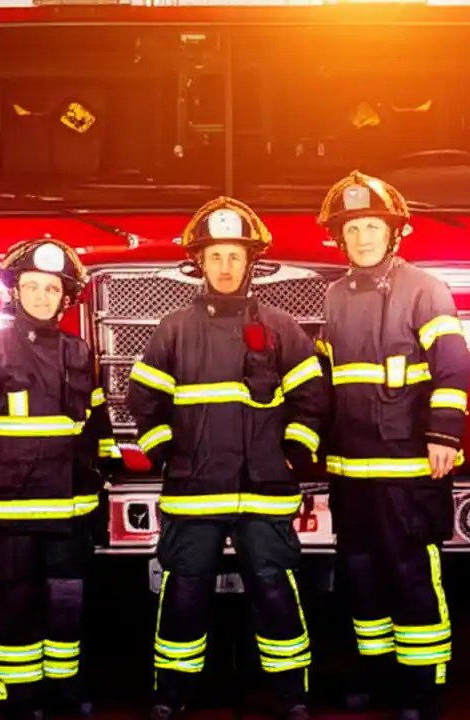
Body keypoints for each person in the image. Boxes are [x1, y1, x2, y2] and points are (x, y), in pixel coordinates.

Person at [126, 197, 327, 720]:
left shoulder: (283, 328)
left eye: (234, 255)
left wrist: (293, 456)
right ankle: (171, 697)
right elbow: (143, 400)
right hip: (194, 490)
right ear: (199, 262)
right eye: (215, 256)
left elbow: (311, 398)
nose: (225, 266)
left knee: (275, 589)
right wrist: (168, 453)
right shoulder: (173, 329)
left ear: (250, 262)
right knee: (184, 594)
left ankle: (292, 697)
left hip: (265, 488)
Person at [315, 171, 470, 720]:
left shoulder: (425, 289)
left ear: (393, 233)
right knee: (359, 574)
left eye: (371, 227)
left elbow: (453, 366)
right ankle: (375, 675)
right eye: (352, 229)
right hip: (350, 468)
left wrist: (444, 435)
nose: (362, 238)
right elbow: (325, 377)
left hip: (408, 467)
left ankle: (421, 688)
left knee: (410, 573)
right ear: (341, 238)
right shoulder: (334, 295)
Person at [0, 238, 115, 720]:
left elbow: (96, 418)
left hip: (68, 505)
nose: (41, 297)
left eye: (51, 289)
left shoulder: (78, 349)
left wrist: (103, 469)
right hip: (9, 505)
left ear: (65, 299)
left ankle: (62, 689)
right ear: (15, 292)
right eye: (32, 287)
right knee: (14, 601)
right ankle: (20, 696)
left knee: (67, 601)